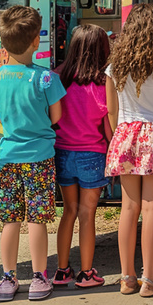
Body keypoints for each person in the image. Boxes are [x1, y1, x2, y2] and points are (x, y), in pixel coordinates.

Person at [0, 6, 66, 303]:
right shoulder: (46, 79)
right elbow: (56, 116)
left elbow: (0, 115)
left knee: (11, 220)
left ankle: (8, 277)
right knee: (37, 219)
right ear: (36, 41)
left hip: (8, 156)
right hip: (40, 157)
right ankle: (38, 277)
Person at [106, 4, 153, 297]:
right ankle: (149, 280)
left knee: (129, 208)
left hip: (125, 134)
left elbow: (112, 112)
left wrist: (120, 138)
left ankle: (127, 278)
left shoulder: (114, 68)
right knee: (152, 208)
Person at [53, 25, 112, 289]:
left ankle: (62, 270)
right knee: (88, 214)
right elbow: (108, 126)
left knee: (69, 211)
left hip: (63, 152)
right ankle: (87, 273)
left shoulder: (57, 78)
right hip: (93, 154)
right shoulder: (103, 84)